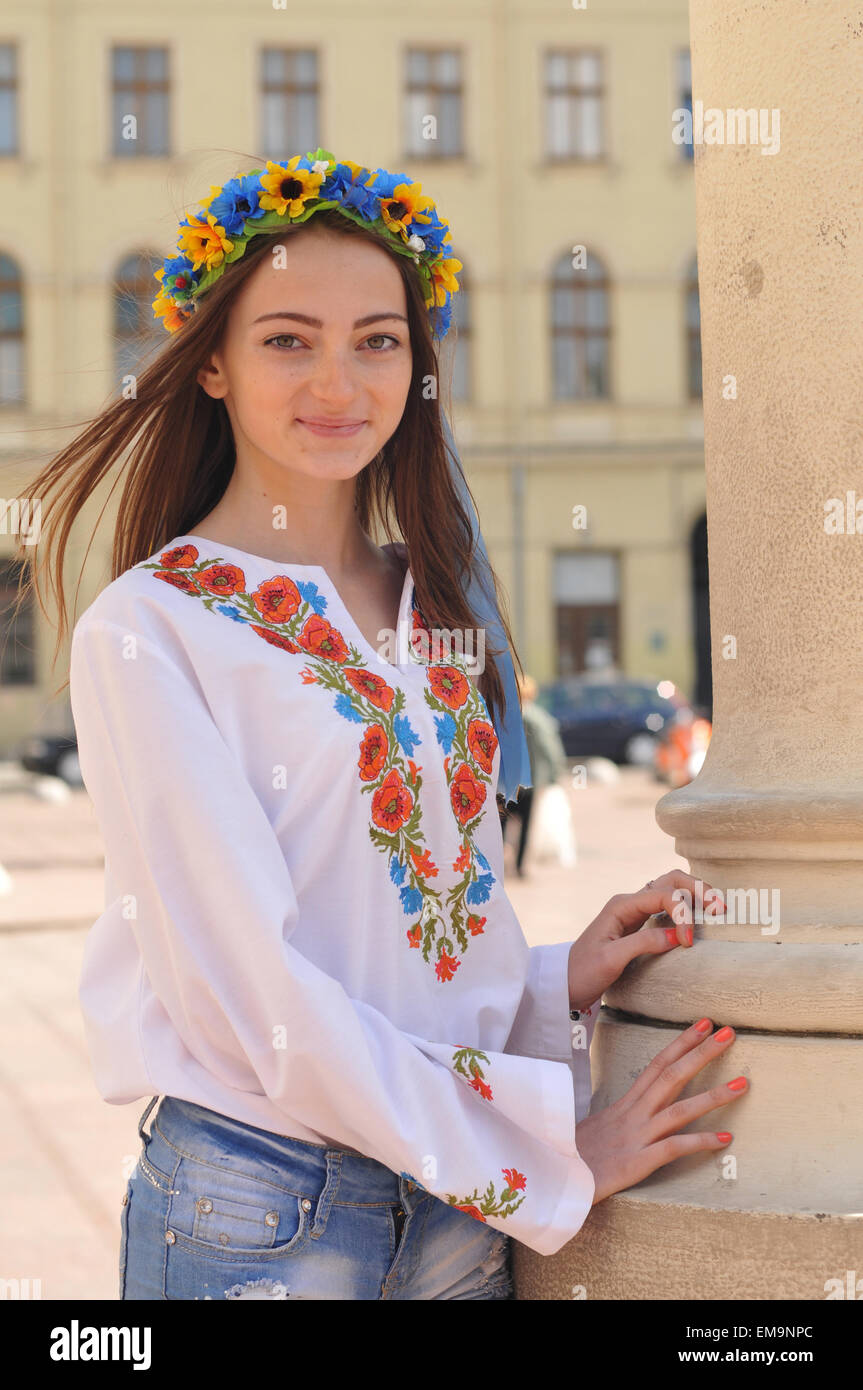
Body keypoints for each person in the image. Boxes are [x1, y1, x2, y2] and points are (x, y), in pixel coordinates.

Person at [19, 149, 748, 1301]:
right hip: (261, 1208)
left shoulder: (435, 601)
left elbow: (403, 928)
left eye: (377, 339)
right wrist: (543, 1170)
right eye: (286, 339)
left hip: (451, 1213)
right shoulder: (150, 631)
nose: (338, 381)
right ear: (210, 362)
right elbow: (253, 993)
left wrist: (553, 975)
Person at [500, 674, 568, 875]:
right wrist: (556, 772)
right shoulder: (538, 717)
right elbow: (550, 748)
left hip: (505, 779)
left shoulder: (503, 715)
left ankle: (501, 859)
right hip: (529, 780)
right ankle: (520, 865)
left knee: (503, 821)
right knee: (525, 824)